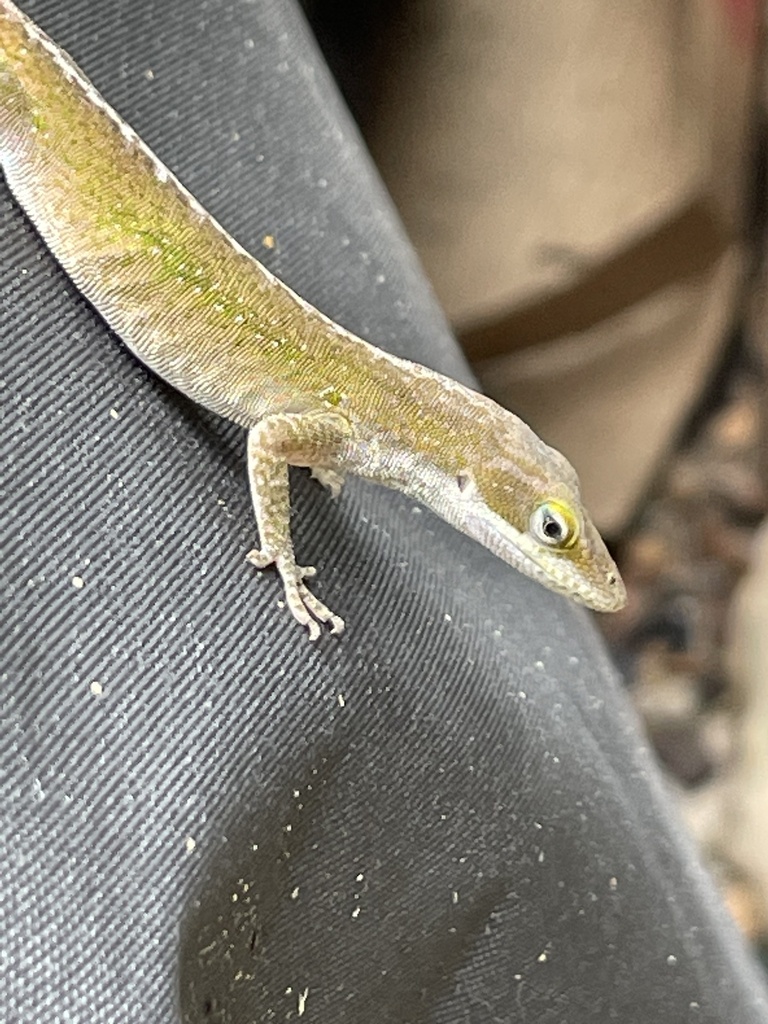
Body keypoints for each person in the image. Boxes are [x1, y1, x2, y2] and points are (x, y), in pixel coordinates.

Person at [2, 1, 766, 1020]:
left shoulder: (377, 419)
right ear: (469, 481)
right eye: (549, 533)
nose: (588, 573)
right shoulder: (359, 424)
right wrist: (282, 555)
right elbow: (270, 438)